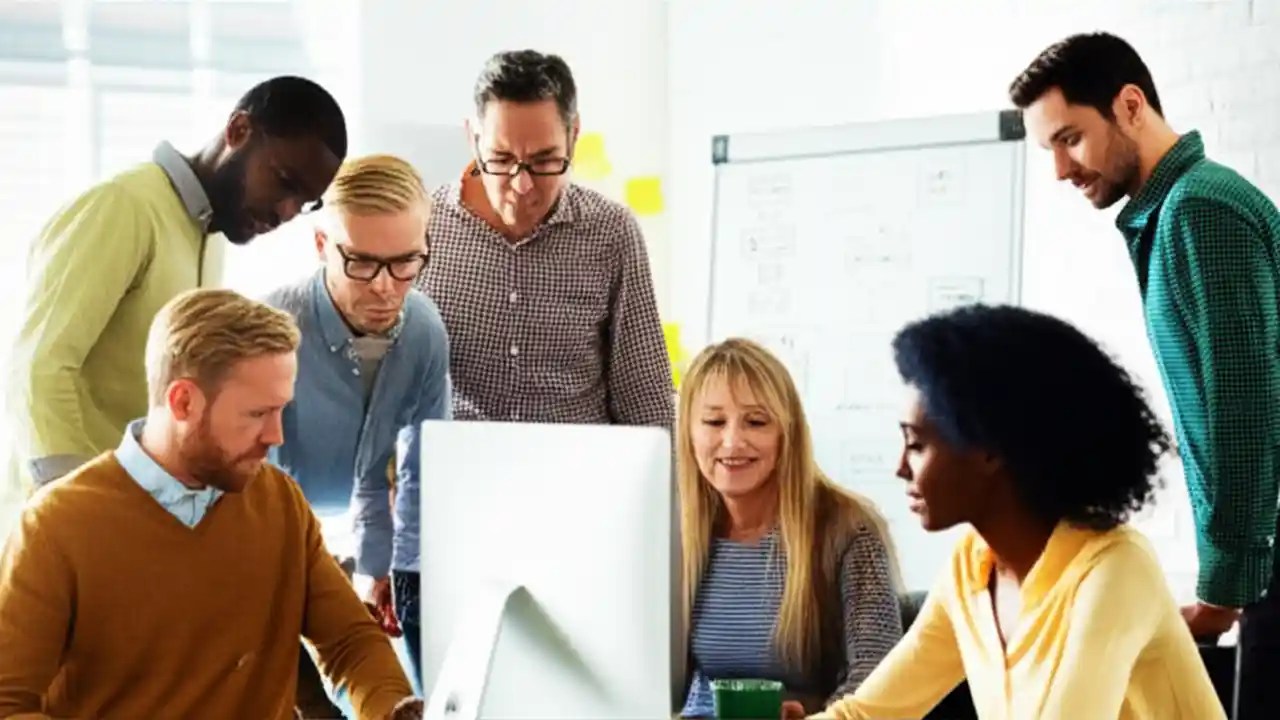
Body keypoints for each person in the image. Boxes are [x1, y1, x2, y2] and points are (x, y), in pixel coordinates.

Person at [1009, 32, 1280, 719]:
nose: (1062, 171)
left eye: (1070, 139)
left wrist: (1224, 592)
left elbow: (1245, 416)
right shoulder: (1176, 212)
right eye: (1050, 150)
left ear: (1130, 106)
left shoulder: (1200, 209)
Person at [0, 288, 422, 720]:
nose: (276, 436)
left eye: (282, 411)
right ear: (183, 401)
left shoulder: (280, 502)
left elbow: (350, 642)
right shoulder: (55, 527)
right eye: (257, 414)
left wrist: (392, 709)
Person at [811, 304, 1225, 720]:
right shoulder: (972, 569)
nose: (900, 467)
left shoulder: (1114, 570)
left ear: (989, 448)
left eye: (917, 444)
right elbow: (867, 714)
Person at [3, 75, 347, 542]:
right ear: (238, 131)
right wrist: (78, 508)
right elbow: (37, 367)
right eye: (283, 181)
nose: (286, 211)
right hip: (62, 533)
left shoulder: (210, 238)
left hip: (129, 526)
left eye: (304, 203)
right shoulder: (124, 207)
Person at [264, 154, 450, 708]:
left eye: (405, 264)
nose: (386, 288)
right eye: (363, 263)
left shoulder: (424, 332)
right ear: (322, 244)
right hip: (279, 536)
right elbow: (253, 481)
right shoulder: (276, 328)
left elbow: (422, 471)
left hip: (361, 534)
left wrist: (394, 569)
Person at [414, 49, 673, 428]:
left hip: (580, 476)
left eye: (544, 161)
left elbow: (645, 398)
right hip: (455, 473)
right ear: (473, 138)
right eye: (501, 159)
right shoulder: (423, 227)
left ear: (573, 136)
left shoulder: (611, 232)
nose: (522, 186)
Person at [675, 338, 902, 718]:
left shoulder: (848, 529)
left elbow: (878, 676)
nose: (732, 441)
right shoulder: (670, 532)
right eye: (714, 422)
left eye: (756, 422)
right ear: (688, 432)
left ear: (787, 433)